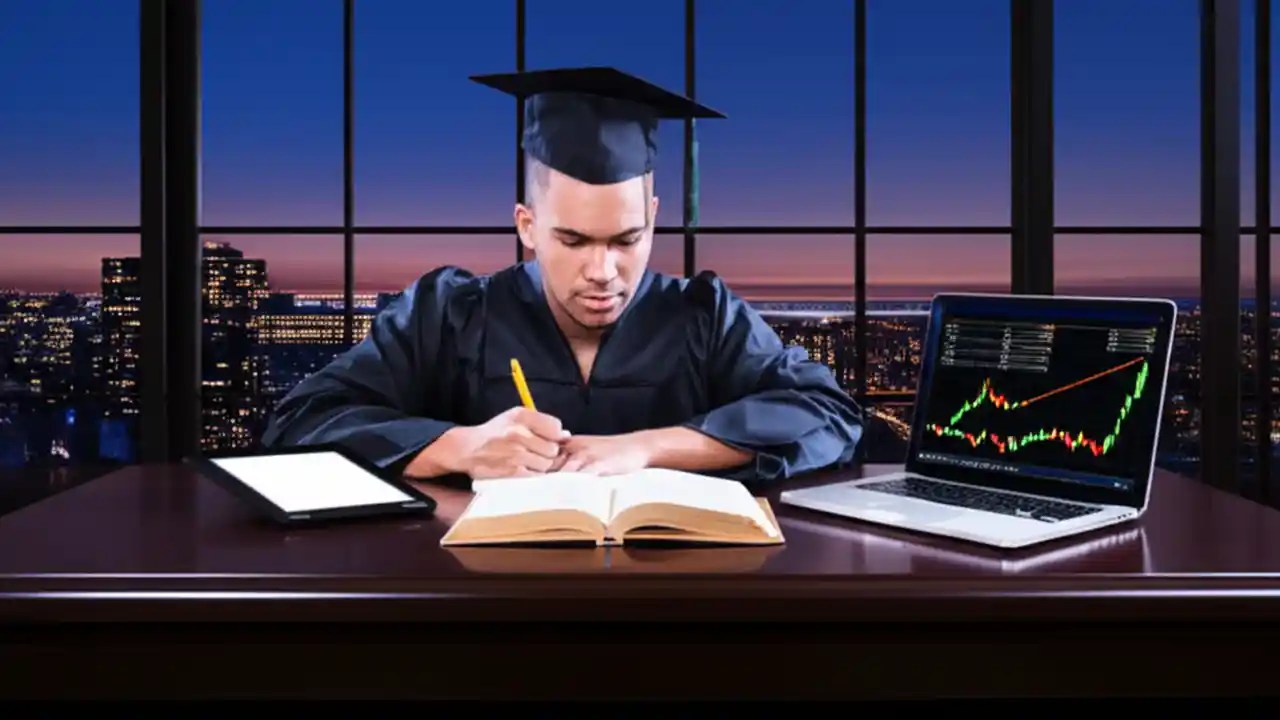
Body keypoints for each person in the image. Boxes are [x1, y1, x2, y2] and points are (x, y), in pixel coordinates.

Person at [260, 66, 863, 487]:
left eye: (627, 240)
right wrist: (458, 447)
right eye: (572, 240)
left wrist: (648, 448)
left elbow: (828, 413)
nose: (603, 273)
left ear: (653, 220)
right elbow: (298, 424)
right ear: (527, 225)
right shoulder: (448, 314)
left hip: (674, 604)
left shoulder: (702, 315)